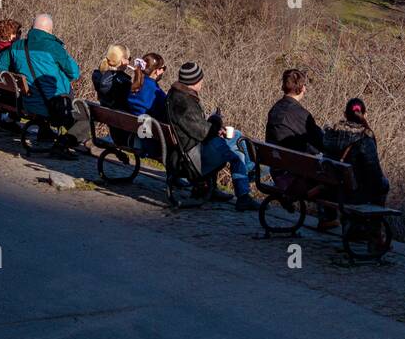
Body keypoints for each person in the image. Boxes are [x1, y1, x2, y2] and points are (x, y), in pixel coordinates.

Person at [166, 61, 259, 211]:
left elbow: (193, 127)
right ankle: (244, 195)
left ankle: (229, 181)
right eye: (200, 79)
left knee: (237, 136)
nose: (202, 82)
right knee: (236, 154)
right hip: (193, 157)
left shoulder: (174, 94)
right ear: (193, 81)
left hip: (185, 148)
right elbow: (203, 133)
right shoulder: (184, 102)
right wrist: (216, 121)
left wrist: (215, 127)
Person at [0, 13, 81, 143]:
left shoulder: (17, 46)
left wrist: (17, 76)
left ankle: (45, 131)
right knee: (82, 121)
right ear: (50, 31)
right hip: (54, 105)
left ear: (32, 28)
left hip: (28, 102)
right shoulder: (54, 48)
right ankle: (64, 142)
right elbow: (74, 73)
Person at [266, 68, 335, 228]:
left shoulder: (274, 109)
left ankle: (326, 216)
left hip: (277, 169)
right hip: (293, 176)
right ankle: (328, 218)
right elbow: (322, 141)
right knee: (331, 172)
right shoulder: (301, 115)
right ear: (302, 88)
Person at [323, 97, 390, 207]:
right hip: (354, 195)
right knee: (384, 184)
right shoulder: (365, 139)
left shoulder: (330, 135)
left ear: (345, 114)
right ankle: (374, 221)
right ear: (365, 115)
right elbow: (375, 175)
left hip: (331, 191)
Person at [125, 53, 167, 122]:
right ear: (157, 71)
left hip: (128, 128)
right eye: (163, 68)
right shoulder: (157, 93)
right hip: (146, 130)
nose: (163, 71)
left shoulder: (132, 87)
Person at [91, 44, 131, 110]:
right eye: (129, 59)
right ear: (123, 61)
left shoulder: (97, 75)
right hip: (119, 117)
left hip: (105, 115)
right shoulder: (124, 82)